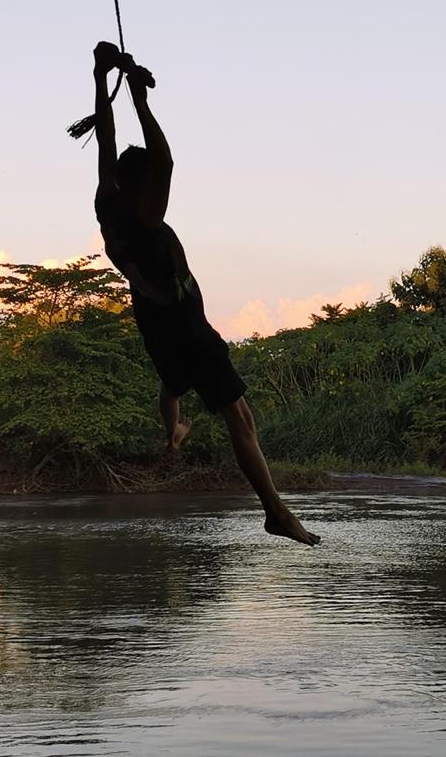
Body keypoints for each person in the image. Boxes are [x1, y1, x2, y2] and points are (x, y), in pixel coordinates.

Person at [89, 41, 320, 546]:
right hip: (185, 326)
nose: (159, 188)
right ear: (142, 188)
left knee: (173, 386)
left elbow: (105, 139)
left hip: (153, 321)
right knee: (241, 417)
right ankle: (276, 512)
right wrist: (141, 100)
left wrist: (101, 75)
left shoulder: (108, 204)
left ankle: (172, 432)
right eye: (152, 183)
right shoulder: (146, 222)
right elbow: (166, 162)